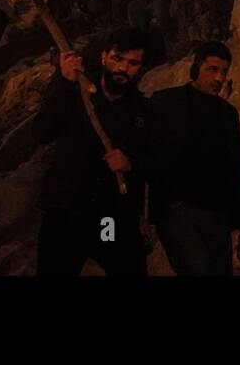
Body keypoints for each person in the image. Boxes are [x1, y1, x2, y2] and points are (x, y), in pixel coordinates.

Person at [32, 28, 154, 276]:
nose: (123, 69)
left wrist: (130, 164)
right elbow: (42, 132)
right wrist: (64, 82)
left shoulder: (141, 110)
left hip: (111, 215)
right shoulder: (77, 92)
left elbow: (151, 160)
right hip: (68, 209)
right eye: (117, 59)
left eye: (133, 63)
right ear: (103, 57)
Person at [147, 42, 240, 275]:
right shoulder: (165, 102)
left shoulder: (228, 114)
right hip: (177, 210)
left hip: (216, 215)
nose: (218, 77)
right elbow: (147, 156)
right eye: (212, 69)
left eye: (224, 71)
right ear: (197, 68)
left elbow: (236, 169)